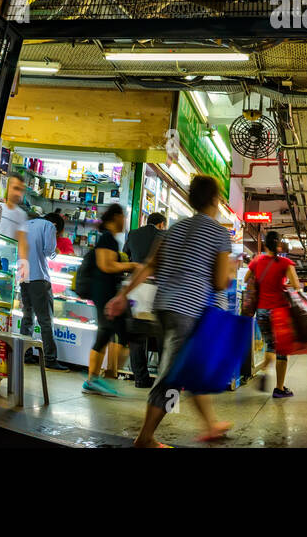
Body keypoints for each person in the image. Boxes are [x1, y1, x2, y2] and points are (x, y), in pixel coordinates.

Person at [109, 175, 232, 447]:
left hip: (163, 307)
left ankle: (210, 424)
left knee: (189, 367)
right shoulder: (220, 233)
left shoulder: (174, 229)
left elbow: (149, 266)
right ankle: (145, 438)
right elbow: (220, 282)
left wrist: (123, 295)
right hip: (188, 310)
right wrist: (227, 269)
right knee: (172, 377)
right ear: (214, 199)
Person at [84, 204, 138, 395]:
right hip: (104, 293)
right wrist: (131, 265)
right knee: (112, 333)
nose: (125, 220)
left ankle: (97, 378)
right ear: (116, 217)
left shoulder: (111, 239)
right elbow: (105, 265)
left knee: (107, 334)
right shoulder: (107, 238)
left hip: (107, 293)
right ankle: (96, 379)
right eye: (123, 216)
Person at [249, 229, 302, 398]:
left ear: (265, 244)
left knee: (269, 344)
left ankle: (265, 371)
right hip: (279, 311)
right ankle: (279, 388)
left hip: (262, 310)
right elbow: (296, 285)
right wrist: (282, 285)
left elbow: (246, 280)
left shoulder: (257, 261)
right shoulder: (285, 263)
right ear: (279, 245)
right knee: (281, 349)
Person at [19, 209, 68, 370]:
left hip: (23, 276)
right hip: (39, 278)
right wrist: (56, 253)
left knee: (27, 318)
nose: (58, 235)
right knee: (46, 321)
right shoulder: (49, 226)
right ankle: (50, 359)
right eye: (58, 233)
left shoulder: (26, 224)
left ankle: (24, 354)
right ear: (55, 225)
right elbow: (48, 251)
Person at [124, 212, 168, 388]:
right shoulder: (164, 235)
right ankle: (163, 378)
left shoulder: (133, 234)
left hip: (137, 287)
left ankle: (140, 378)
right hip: (157, 288)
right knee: (161, 334)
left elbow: (125, 255)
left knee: (137, 335)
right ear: (161, 225)